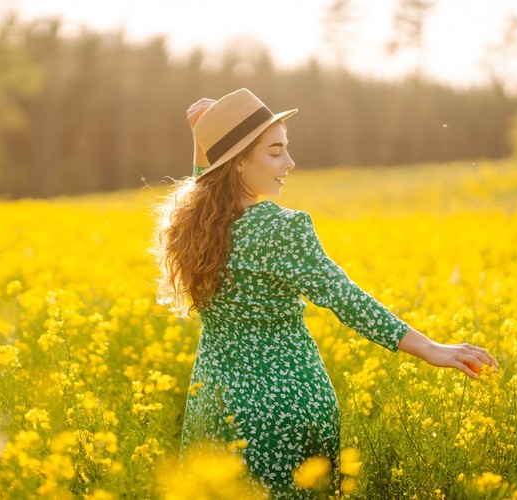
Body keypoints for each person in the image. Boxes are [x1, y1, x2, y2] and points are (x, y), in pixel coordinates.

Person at [151, 88, 499, 497]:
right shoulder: (281, 228)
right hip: (287, 407)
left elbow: (201, 180)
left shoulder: (196, 226)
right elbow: (344, 296)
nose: (290, 163)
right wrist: (431, 348)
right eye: (276, 151)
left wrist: (203, 136)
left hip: (216, 404)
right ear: (239, 161)